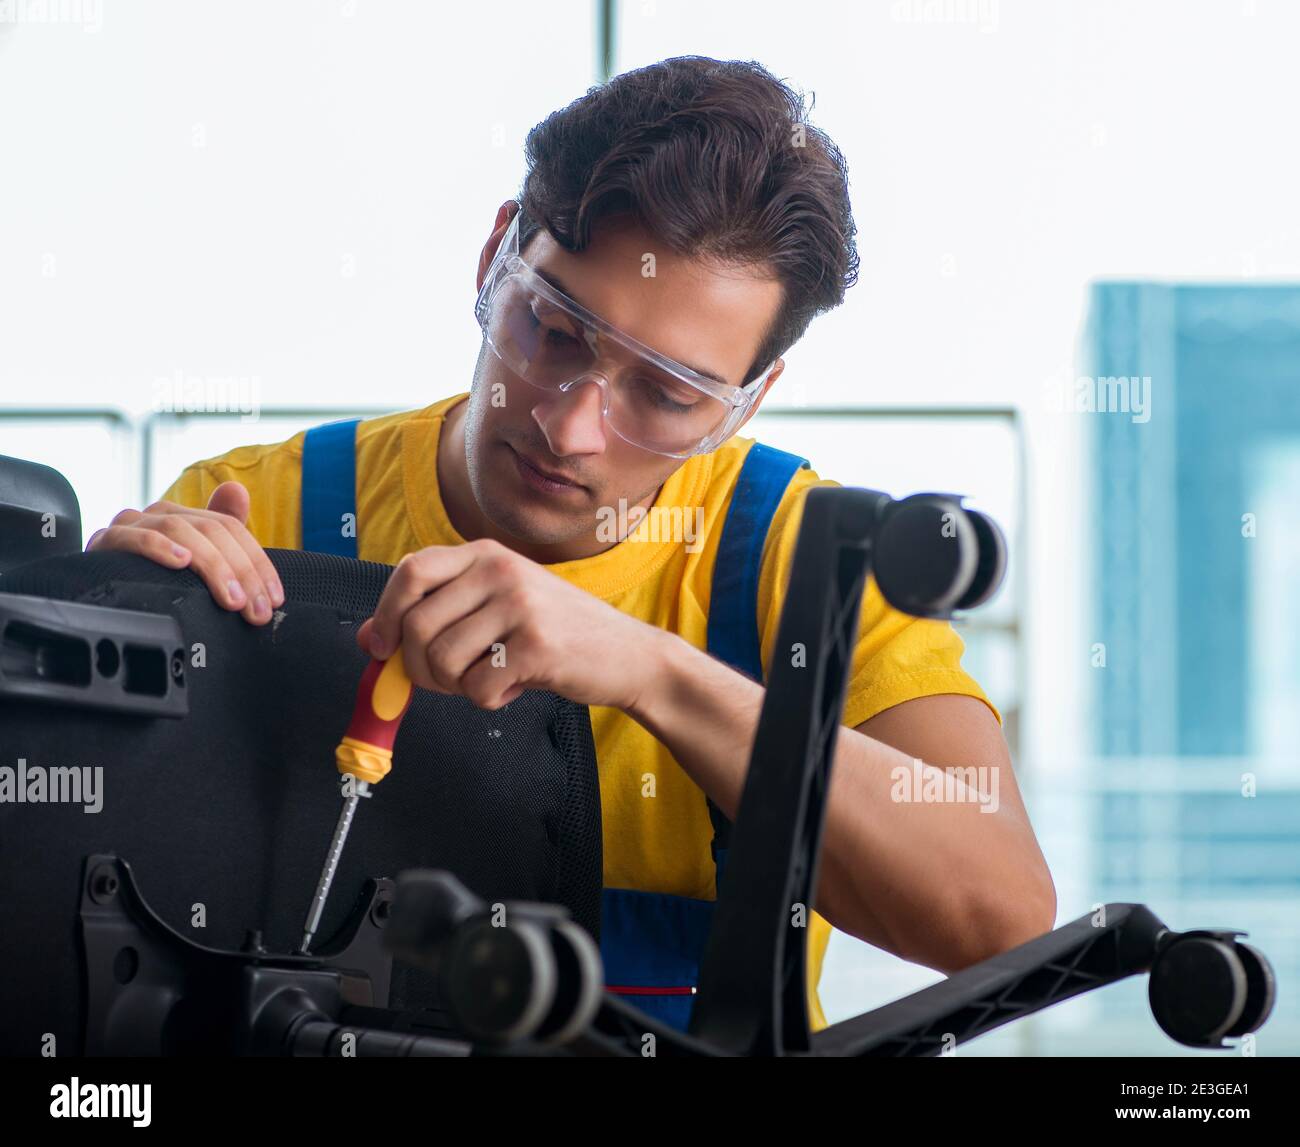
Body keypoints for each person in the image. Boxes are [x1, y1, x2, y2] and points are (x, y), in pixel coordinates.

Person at [87, 56, 1055, 1034]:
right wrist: (104, 631)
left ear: (745, 402)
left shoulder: (800, 562)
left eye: (668, 394)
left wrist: (656, 674)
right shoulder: (267, 510)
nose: (571, 426)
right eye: (552, 330)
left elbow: (996, 912)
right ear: (494, 257)